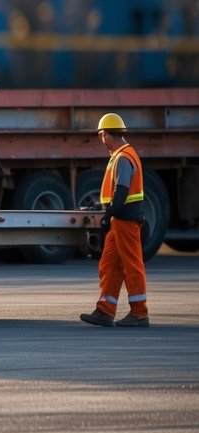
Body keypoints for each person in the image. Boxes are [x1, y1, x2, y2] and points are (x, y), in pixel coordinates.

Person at [81, 113, 150, 328]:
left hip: (125, 220)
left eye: (101, 135)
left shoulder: (123, 157)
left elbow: (121, 190)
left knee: (132, 265)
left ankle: (140, 314)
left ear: (105, 134)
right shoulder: (122, 155)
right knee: (109, 264)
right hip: (120, 220)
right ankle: (105, 311)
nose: (101, 140)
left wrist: (109, 213)